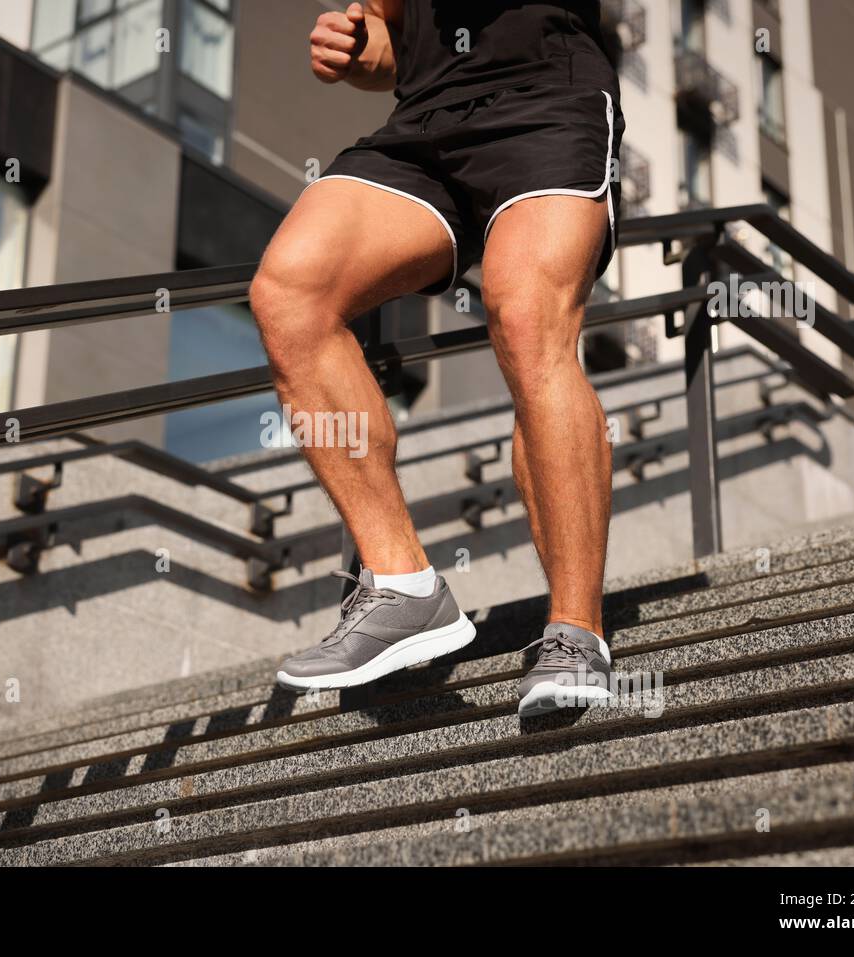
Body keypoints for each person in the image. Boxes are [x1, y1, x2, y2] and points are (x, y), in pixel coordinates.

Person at [258, 1, 623, 715]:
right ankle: (403, 584)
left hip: (547, 98)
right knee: (289, 292)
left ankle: (577, 632)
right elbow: (400, 48)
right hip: (425, 120)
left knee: (525, 321)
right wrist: (362, 49)